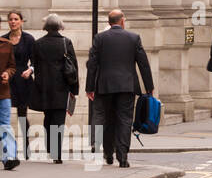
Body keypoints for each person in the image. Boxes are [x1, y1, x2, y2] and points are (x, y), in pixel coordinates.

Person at [86, 9, 155, 168]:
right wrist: (149, 87)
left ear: (109, 22)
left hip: (104, 86)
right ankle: (122, 157)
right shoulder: (133, 38)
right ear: (122, 21)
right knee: (124, 120)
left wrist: (89, 87)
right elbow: (143, 64)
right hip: (126, 86)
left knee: (105, 119)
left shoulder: (100, 38)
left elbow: (92, 65)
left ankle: (106, 152)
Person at [30, 14, 78, 163]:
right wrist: (74, 89)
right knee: (59, 120)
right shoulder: (66, 42)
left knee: (48, 117)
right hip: (61, 87)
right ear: (59, 26)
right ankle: (56, 153)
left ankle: (50, 148)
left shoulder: (38, 43)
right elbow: (73, 67)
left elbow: (34, 65)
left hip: (44, 87)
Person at [6, 11, 36, 161]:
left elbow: (35, 60)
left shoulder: (28, 39)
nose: (13, 22)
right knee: (4, 116)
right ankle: (7, 148)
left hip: (23, 80)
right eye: (10, 19)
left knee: (22, 114)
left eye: (16, 19)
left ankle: (26, 145)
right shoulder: (3, 39)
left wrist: (30, 70)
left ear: (21, 21)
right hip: (6, 79)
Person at [0, 29, 18, 170]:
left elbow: (12, 66)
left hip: (3, 92)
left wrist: (7, 73)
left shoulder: (6, 45)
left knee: (5, 125)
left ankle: (9, 158)